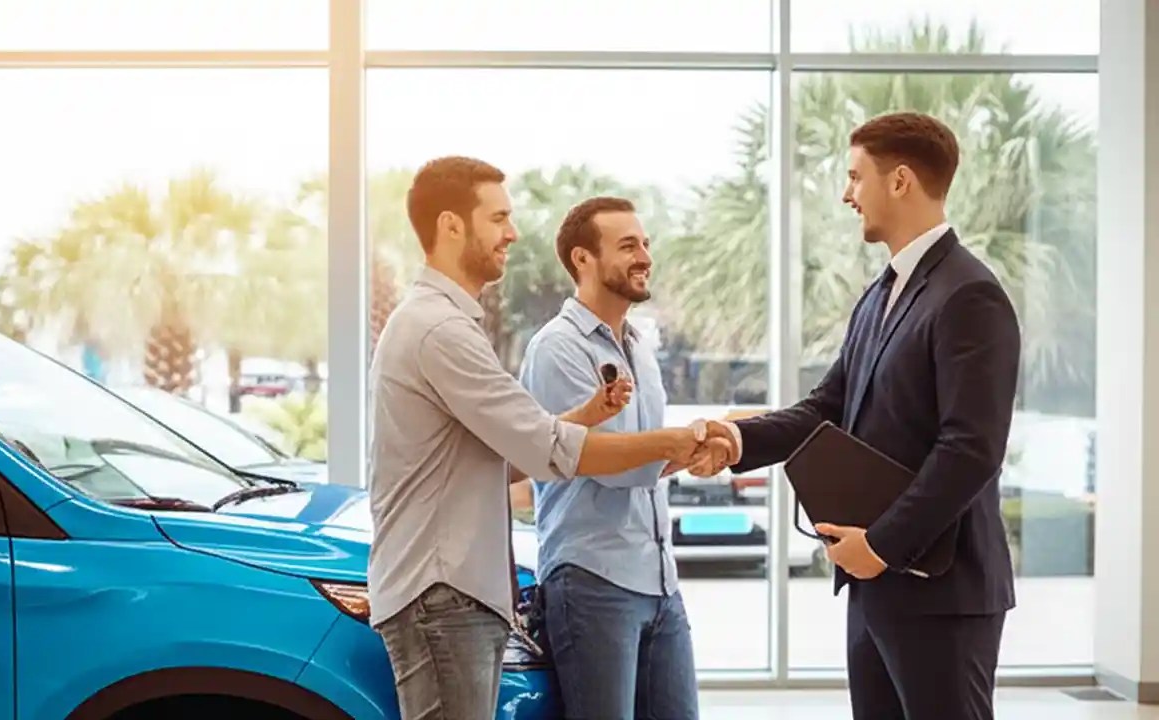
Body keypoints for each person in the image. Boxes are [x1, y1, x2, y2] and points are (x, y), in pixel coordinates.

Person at [701, 112, 1020, 720]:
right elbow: (828, 409)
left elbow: (971, 448)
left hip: (940, 588)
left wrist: (883, 544)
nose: (847, 195)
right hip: (876, 584)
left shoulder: (969, 294)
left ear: (899, 181)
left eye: (854, 178)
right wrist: (736, 440)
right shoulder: (880, 294)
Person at [367, 156, 709, 720]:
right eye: (498, 217)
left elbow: (510, 455)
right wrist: (672, 443)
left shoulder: (445, 324)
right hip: (444, 592)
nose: (512, 232)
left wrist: (587, 416)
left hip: (454, 593)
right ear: (452, 225)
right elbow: (545, 450)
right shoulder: (440, 329)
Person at [515, 197, 733, 720]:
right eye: (628, 245)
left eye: (645, 244)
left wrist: (702, 451)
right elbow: (591, 457)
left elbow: (643, 463)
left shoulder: (637, 347)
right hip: (593, 583)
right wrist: (676, 443)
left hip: (659, 581)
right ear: (582, 259)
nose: (644, 257)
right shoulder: (556, 348)